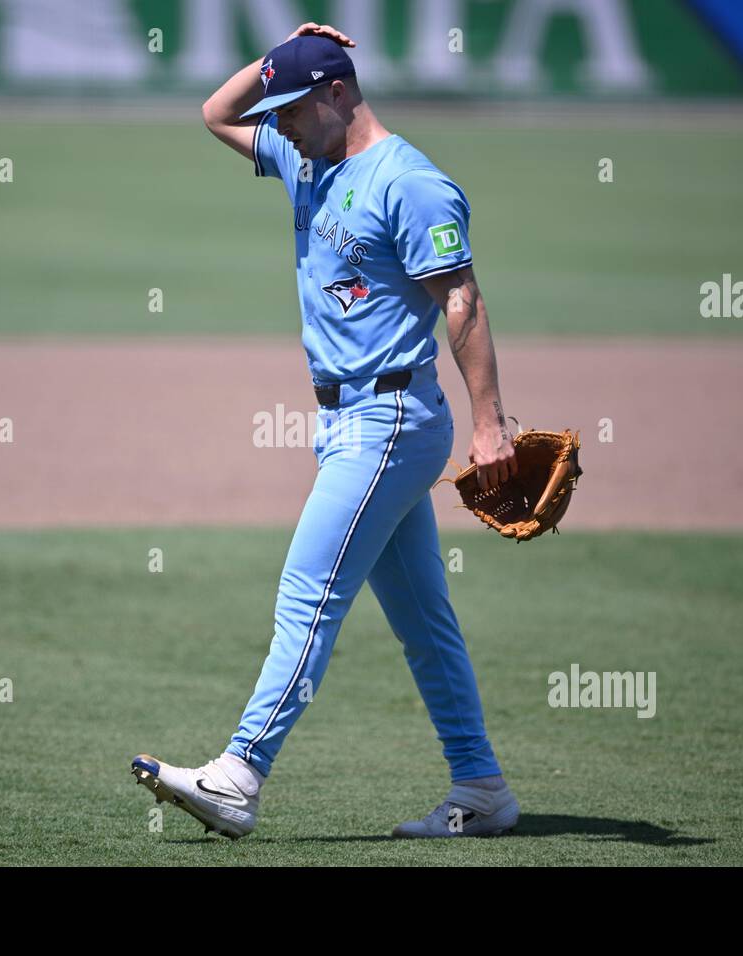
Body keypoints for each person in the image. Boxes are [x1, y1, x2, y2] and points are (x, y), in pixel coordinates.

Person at [132, 22, 520, 839]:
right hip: (346, 423)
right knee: (425, 623)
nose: (275, 122)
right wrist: (283, 50)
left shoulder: (410, 184)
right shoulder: (303, 157)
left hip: (391, 420)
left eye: (293, 106)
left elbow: (464, 302)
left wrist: (489, 426)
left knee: (308, 594)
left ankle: (239, 775)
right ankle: (481, 787)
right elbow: (214, 111)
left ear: (339, 93)